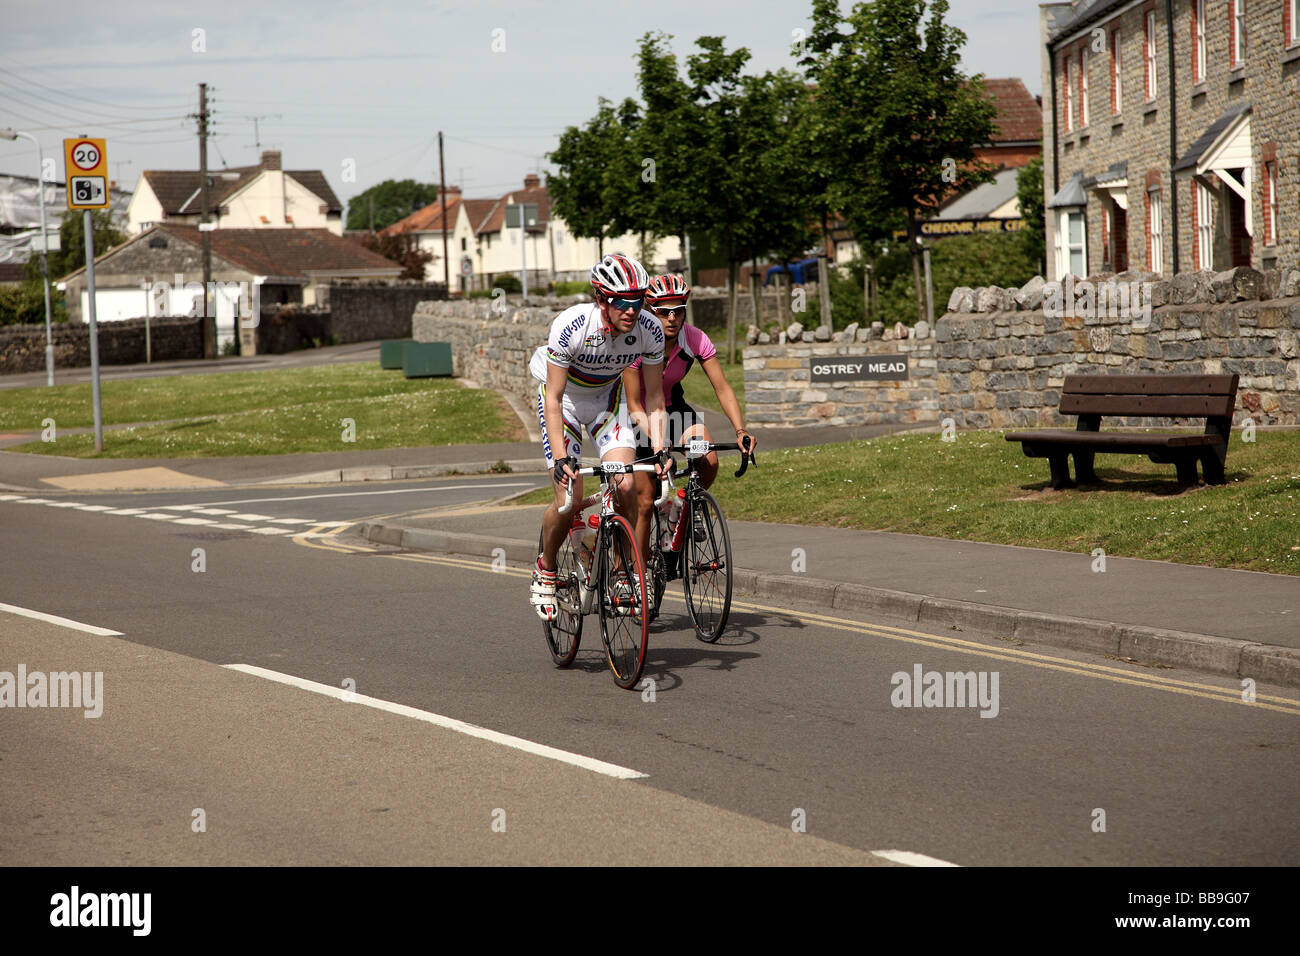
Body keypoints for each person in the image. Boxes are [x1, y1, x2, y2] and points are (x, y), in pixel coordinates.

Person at [529, 253, 671, 622]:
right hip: (567, 403)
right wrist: (561, 459)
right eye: (622, 301)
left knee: (625, 485)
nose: (631, 309)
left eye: (638, 301)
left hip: (608, 401)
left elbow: (654, 398)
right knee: (568, 498)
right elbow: (555, 399)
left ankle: (622, 571)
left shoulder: (650, 329)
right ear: (601, 299)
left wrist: (660, 447)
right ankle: (545, 568)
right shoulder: (572, 325)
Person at [621, 273, 755, 565]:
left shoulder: (694, 338)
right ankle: (637, 574)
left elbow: (722, 387)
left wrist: (740, 429)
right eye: (663, 311)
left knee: (708, 457)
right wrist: (659, 442)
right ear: (649, 310)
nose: (672, 318)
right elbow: (633, 404)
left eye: (678, 311)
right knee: (644, 502)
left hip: (674, 409)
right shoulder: (634, 342)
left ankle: (684, 507)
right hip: (636, 416)